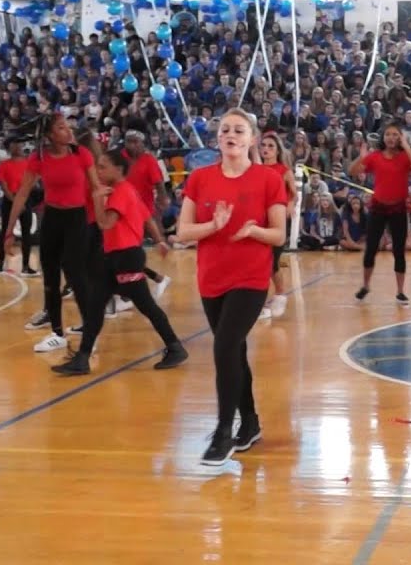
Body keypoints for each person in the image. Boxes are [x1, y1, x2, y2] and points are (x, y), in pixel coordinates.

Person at [175, 108, 287, 466]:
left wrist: (253, 231)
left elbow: (279, 234)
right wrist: (213, 225)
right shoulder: (200, 178)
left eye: (239, 130)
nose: (231, 135)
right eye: (225, 130)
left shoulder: (269, 179)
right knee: (233, 351)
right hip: (212, 278)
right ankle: (250, 423)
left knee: (224, 347)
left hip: (251, 278)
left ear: (251, 139)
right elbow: (183, 232)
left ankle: (224, 430)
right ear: (218, 139)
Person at [51, 148, 187, 375]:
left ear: (118, 169)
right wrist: (159, 241)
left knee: (146, 305)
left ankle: (175, 346)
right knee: (95, 307)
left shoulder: (121, 192)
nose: (98, 170)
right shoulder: (127, 190)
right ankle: (82, 358)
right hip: (113, 258)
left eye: (103, 166)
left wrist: (97, 199)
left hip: (126, 257)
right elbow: (146, 218)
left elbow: (105, 223)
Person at [5, 114, 104, 354]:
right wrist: (8, 231)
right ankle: (57, 333)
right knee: (49, 275)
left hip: (77, 218)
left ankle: (90, 334)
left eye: (67, 126)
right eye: (61, 128)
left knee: (76, 273)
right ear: (49, 135)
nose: (68, 131)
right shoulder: (38, 158)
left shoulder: (82, 154)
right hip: (52, 218)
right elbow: (22, 194)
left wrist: (102, 220)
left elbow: (96, 189)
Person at [349, 123, 411, 305]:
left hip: (398, 208)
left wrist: (406, 145)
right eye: (388, 134)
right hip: (378, 208)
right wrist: (361, 158)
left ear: (400, 137)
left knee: (399, 251)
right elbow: (352, 171)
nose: (391, 138)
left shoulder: (406, 156)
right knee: (371, 250)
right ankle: (365, 286)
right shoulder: (375, 157)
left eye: (395, 134)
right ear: (383, 138)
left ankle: (400, 291)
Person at [121, 131, 173, 297]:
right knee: (124, 252)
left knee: (128, 252)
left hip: (142, 212)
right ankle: (156, 279)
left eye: (136, 142)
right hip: (121, 209)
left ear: (143, 144)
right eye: (129, 141)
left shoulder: (149, 160)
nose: (132, 145)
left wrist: (163, 198)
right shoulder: (120, 157)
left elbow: (159, 183)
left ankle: (131, 292)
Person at [258, 131, 298, 320]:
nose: (266, 149)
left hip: (278, 219)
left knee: (271, 261)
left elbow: (293, 193)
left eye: (270, 146)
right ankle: (270, 298)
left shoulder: (283, 170)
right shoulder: (255, 169)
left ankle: (278, 294)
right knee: (260, 262)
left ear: (277, 150)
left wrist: (289, 206)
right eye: (263, 145)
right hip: (259, 219)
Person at [0, 141, 36, 276]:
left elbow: (33, 181)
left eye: (18, 145)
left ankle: (25, 265)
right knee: (5, 230)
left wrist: (22, 198)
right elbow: (3, 184)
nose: (16, 147)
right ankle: (0, 263)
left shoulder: (29, 163)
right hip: (10, 199)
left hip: (24, 198)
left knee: (26, 232)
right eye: (13, 145)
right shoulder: (4, 165)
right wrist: (15, 200)